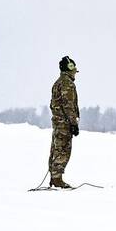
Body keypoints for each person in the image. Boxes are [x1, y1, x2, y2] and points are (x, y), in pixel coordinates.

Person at [48, 56, 80, 189]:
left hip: (58, 122)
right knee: (63, 150)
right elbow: (68, 105)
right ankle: (57, 179)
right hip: (64, 124)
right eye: (74, 70)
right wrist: (73, 123)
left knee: (56, 149)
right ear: (69, 70)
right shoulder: (67, 83)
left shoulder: (58, 82)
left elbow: (53, 104)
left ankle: (55, 178)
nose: (75, 74)